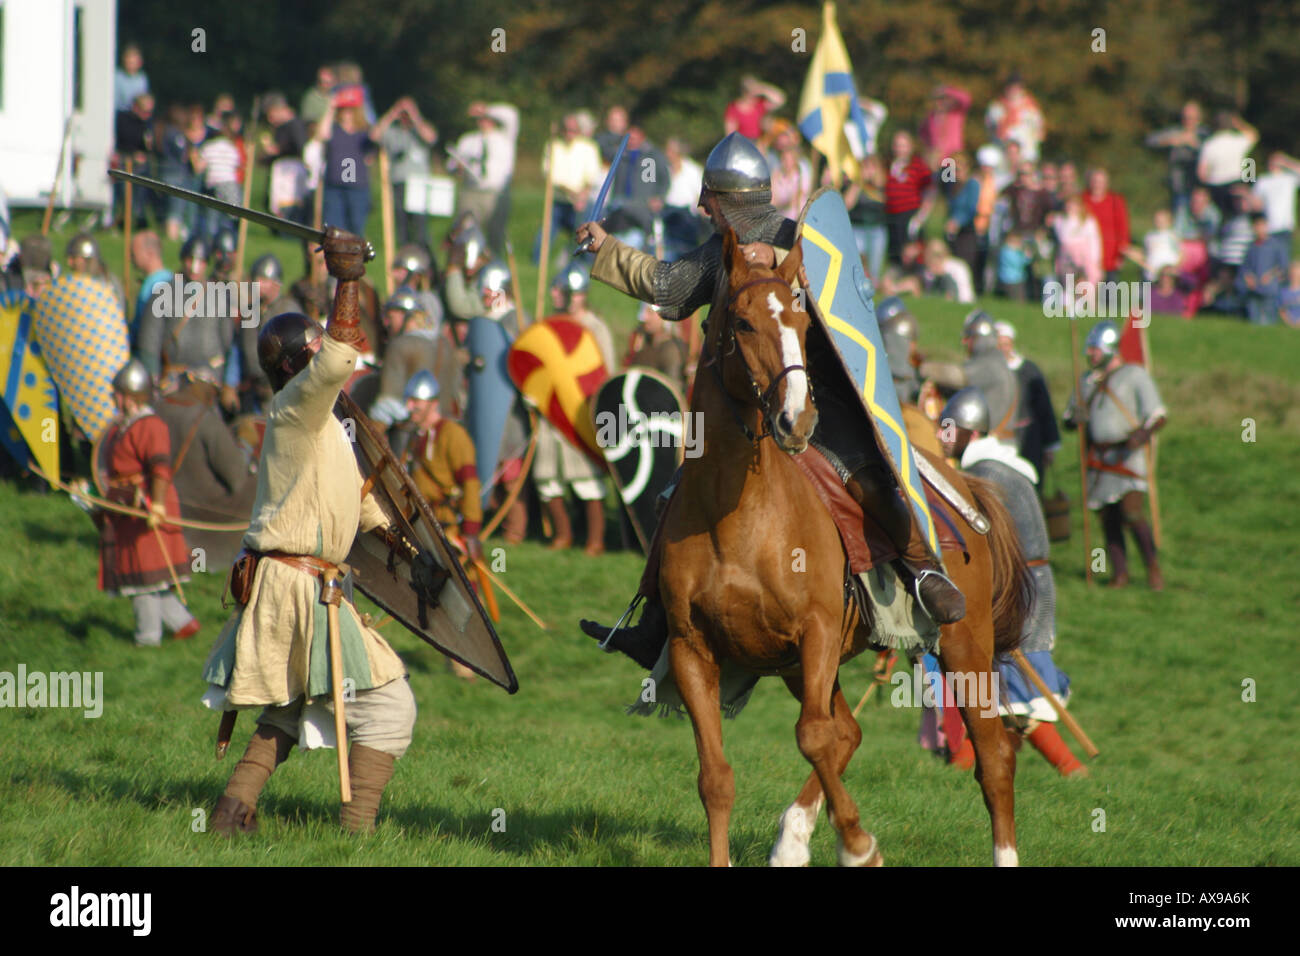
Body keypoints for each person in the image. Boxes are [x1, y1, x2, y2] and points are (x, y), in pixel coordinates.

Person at [575, 132, 968, 666]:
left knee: (866, 477)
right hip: (736, 408)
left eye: (708, 197)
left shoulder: (798, 238)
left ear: (732, 199)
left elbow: (852, 286)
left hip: (816, 392)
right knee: (676, 497)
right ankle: (654, 622)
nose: (699, 206)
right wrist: (607, 248)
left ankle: (921, 569)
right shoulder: (721, 254)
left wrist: (782, 255)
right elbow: (667, 287)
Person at [201, 228, 417, 837]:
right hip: (300, 586)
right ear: (300, 365)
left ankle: (230, 815)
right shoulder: (296, 408)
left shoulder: (317, 420)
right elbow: (342, 354)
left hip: (294, 581)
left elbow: (347, 495)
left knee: (289, 707)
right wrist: (347, 279)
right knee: (390, 704)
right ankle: (357, 831)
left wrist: (405, 546)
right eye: (316, 349)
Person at [934, 388, 1083, 776]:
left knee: (1016, 695)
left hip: (1020, 587)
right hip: (1024, 580)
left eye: (951, 429)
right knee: (996, 690)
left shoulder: (986, 475)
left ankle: (1070, 769)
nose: (944, 436)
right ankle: (964, 765)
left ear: (972, 432)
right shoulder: (1002, 467)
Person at [97, 359, 200, 646]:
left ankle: (147, 639)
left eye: (118, 393)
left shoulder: (151, 426)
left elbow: (160, 468)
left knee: (142, 580)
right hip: (130, 509)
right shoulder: (123, 425)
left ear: (131, 396)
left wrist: (157, 505)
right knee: (151, 579)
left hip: (149, 506)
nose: (114, 399)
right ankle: (183, 623)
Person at [1063, 321, 1166, 590]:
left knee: (1131, 513)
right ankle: (1120, 575)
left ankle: (1153, 569)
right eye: (1089, 351)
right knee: (1108, 519)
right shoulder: (1086, 381)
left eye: (1095, 350)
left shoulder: (1134, 375)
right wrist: (1077, 417)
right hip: (1098, 460)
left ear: (1109, 349)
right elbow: (1068, 420)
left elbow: (1157, 415)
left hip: (1127, 455)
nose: (1091, 355)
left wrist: (1139, 437)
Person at [533, 264, 615, 556]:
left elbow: (603, 372)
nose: (572, 299)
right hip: (551, 412)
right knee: (547, 477)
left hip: (582, 413)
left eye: (577, 294)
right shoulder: (551, 325)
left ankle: (595, 539)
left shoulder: (596, 328)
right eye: (570, 294)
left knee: (588, 480)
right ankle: (563, 534)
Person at [402, 370, 484, 564]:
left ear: (433, 403)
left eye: (416, 401)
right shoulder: (415, 438)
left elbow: (470, 484)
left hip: (451, 529)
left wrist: (471, 532)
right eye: (409, 400)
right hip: (426, 529)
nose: (409, 406)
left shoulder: (453, 435)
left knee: (464, 588)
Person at [995, 321, 1060, 490]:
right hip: (999, 439)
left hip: (1029, 440)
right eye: (999, 344)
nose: (1002, 348)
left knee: (1031, 486)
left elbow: (1044, 408)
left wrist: (1049, 444)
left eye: (1006, 344)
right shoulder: (991, 372)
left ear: (1012, 344)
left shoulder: (1029, 370)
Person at [449, 102, 520, 255]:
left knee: (495, 233)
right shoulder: (468, 140)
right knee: (466, 231)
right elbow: (452, 164)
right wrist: (458, 168)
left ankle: (493, 265)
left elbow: (511, 115)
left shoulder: (505, 137)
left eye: (487, 118)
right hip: (471, 191)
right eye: (481, 119)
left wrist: (487, 109)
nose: (484, 122)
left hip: (495, 192)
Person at [373, 97, 439, 246]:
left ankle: (424, 259)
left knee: (420, 228)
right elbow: (374, 135)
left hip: (419, 184)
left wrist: (414, 115)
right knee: (402, 228)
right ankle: (405, 256)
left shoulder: (420, 130)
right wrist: (392, 113)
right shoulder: (392, 132)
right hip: (398, 182)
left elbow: (431, 137)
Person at [536, 113, 602, 260]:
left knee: (586, 235)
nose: (569, 134)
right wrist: (571, 192)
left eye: (573, 130)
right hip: (559, 200)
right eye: (567, 130)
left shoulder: (588, 147)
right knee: (544, 237)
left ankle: (584, 263)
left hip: (581, 202)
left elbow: (592, 175)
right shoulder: (553, 146)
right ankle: (537, 261)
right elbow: (550, 175)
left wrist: (582, 196)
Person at [314, 96, 377, 236]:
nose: (347, 114)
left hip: (357, 187)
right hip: (334, 185)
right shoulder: (334, 130)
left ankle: (353, 256)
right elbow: (321, 135)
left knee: (355, 228)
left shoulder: (364, 133)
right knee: (333, 228)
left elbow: (376, 136)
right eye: (343, 111)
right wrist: (331, 107)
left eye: (351, 111)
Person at [1145, 100, 1209, 218]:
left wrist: (1195, 144)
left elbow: (1216, 151)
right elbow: (1150, 140)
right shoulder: (1176, 132)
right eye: (1185, 117)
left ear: (1198, 118)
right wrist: (1170, 141)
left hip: (1200, 188)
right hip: (1178, 186)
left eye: (1191, 118)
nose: (1187, 121)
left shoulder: (1205, 134)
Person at [884, 131, 935, 264]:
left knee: (911, 256)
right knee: (895, 257)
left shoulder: (917, 165)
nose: (900, 149)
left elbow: (930, 190)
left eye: (903, 145)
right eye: (897, 145)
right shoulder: (888, 165)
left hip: (910, 215)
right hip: (892, 218)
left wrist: (921, 217)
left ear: (910, 147)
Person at [1198, 113, 1259, 217]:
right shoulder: (1238, 140)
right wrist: (1239, 123)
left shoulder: (1209, 144)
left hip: (1216, 187)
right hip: (1236, 185)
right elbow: (1254, 135)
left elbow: (1202, 173)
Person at [626, 302, 689, 396]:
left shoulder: (671, 350)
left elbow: (670, 394)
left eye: (650, 312)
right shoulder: (642, 339)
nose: (643, 317)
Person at [1237, 213, 1288, 325]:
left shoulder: (1276, 245)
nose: (1259, 229)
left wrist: (1271, 276)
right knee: (1254, 320)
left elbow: (1283, 267)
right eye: (1256, 226)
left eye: (1261, 225)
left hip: (1270, 290)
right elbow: (1245, 267)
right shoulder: (1251, 247)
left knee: (1269, 320)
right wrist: (1248, 277)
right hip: (1253, 290)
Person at [1082, 168, 1130, 282]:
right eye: (1095, 181)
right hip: (1087, 254)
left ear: (1106, 183)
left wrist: (1121, 252)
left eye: (1101, 182)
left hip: (1110, 253)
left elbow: (1122, 227)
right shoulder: (1082, 199)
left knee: (1109, 293)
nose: (1097, 185)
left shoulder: (1115, 201)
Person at [985, 74, 1046, 163]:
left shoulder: (1031, 108)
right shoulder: (997, 107)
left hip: (1027, 155)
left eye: (1017, 87)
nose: (1014, 91)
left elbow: (1040, 132)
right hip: (1003, 155)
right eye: (1011, 87)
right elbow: (994, 131)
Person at [724, 75, 786, 140]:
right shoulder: (733, 108)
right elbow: (730, 134)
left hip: (759, 142)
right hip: (742, 142)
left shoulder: (760, 104)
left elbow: (780, 100)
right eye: (749, 91)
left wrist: (763, 89)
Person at [114, 44, 150, 114]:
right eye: (128, 58)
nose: (130, 61)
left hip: (137, 115)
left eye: (134, 59)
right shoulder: (116, 76)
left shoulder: (142, 78)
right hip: (120, 115)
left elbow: (144, 100)